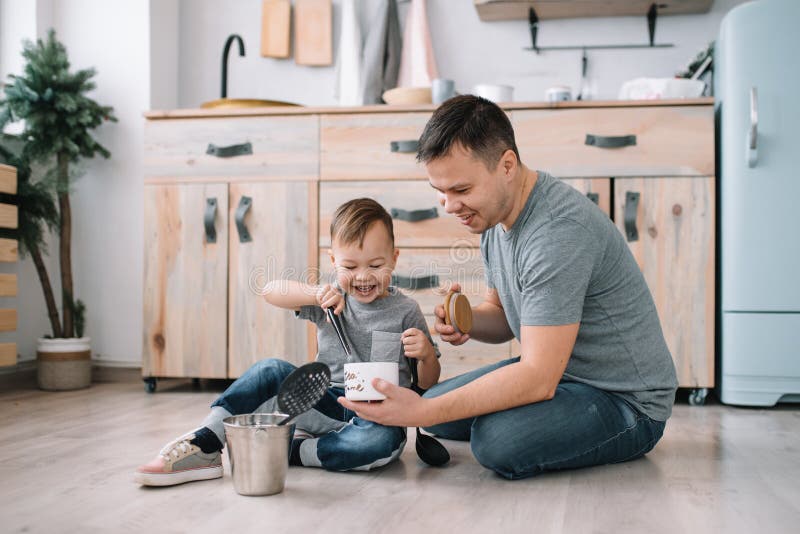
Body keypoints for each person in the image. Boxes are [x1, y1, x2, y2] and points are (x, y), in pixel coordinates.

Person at [338, 95, 679, 480]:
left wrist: (421, 414)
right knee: (433, 402)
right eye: (440, 190)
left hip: (625, 400)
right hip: (563, 372)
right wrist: (467, 321)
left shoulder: (557, 234)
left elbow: (537, 375)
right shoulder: (493, 218)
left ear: (507, 166)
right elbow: (502, 318)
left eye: (461, 190)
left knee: (492, 441)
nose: (449, 206)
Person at [135, 198, 440, 486]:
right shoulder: (329, 299)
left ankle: (293, 451)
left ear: (394, 259)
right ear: (333, 261)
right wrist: (314, 294)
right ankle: (205, 443)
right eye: (350, 267)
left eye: (375, 266)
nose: (363, 276)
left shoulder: (406, 311)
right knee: (269, 370)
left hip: (380, 416)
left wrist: (426, 356)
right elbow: (270, 290)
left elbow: (426, 383)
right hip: (326, 401)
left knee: (377, 443)